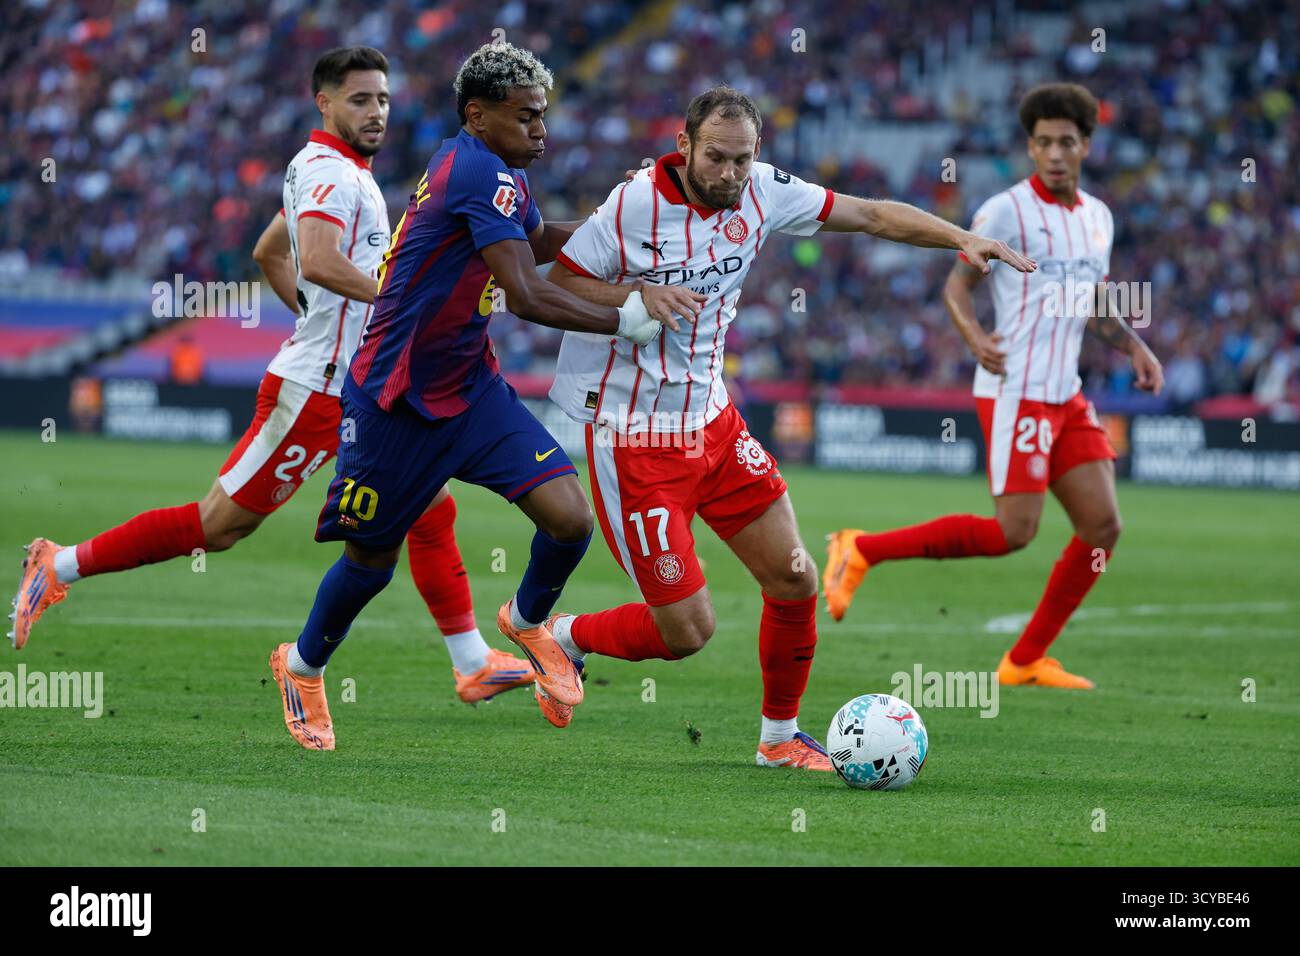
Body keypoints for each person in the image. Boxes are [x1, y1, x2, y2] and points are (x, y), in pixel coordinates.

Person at [10, 46, 536, 707]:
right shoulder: (330, 175)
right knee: (219, 526)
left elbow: (268, 252)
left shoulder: (342, 171)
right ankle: (55, 564)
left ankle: (469, 661)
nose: (377, 112)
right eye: (360, 100)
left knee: (431, 506)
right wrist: (392, 295)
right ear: (325, 103)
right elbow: (313, 259)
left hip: (358, 386)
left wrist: (326, 315)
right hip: (316, 392)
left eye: (382, 99)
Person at [540, 86, 1034, 769]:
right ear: (683, 147)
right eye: (716, 158)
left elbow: (871, 215)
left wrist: (960, 238)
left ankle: (778, 740)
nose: (730, 175)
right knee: (687, 632)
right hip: (634, 442)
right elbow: (557, 285)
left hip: (714, 425)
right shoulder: (633, 203)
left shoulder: (764, 192)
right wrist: (634, 294)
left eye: (743, 159)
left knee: (797, 577)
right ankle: (564, 635)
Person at [266, 42, 696, 750]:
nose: (541, 131)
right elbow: (526, 291)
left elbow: (543, 240)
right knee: (370, 566)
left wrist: (628, 225)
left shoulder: (492, 169)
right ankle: (304, 666)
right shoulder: (476, 174)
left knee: (570, 522)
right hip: (395, 398)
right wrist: (626, 315)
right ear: (479, 114)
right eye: (526, 117)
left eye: (544, 116)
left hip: (469, 388)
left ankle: (528, 625)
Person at [824, 83, 1163, 689]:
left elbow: (1093, 303)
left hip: (1067, 394)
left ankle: (1026, 657)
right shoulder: (1006, 211)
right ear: (1030, 148)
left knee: (1103, 526)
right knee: (1014, 532)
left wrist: (1135, 346)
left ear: (1086, 145)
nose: (1054, 153)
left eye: (1066, 141)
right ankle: (862, 547)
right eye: (1042, 143)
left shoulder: (1098, 218)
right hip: (1015, 390)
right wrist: (974, 337)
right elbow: (956, 288)